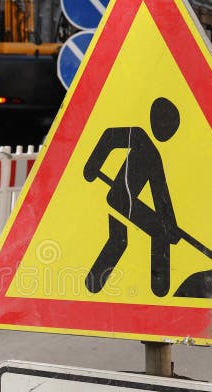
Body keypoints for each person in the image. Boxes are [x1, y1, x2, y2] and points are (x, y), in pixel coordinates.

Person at [82, 97, 181, 297]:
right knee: (155, 233)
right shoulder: (138, 136)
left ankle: (93, 284)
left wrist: (171, 224)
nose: (168, 132)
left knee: (120, 240)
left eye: (171, 129)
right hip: (120, 198)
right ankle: (159, 285)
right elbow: (109, 137)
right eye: (167, 126)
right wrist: (91, 166)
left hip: (125, 201)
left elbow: (160, 194)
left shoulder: (155, 156)